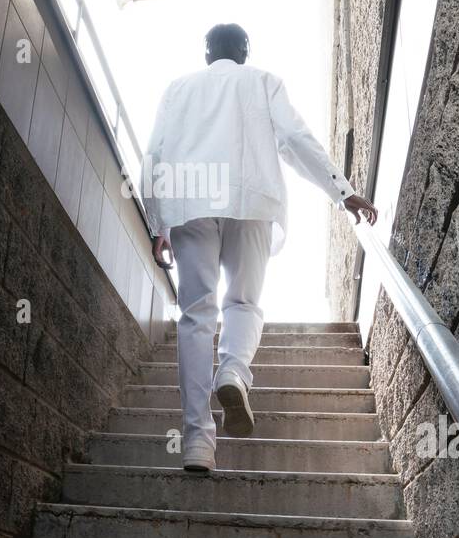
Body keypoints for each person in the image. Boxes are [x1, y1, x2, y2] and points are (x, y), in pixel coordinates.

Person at [141, 23, 377, 472]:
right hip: (251, 197)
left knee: (195, 315)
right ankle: (232, 371)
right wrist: (342, 192)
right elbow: (294, 139)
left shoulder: (178, 89)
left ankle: (197, 444)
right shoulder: (263, 81)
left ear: (207, 51)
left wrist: (158, 223)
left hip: (189, 204)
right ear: (245, 51)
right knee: (244, 301)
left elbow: (154, 153)